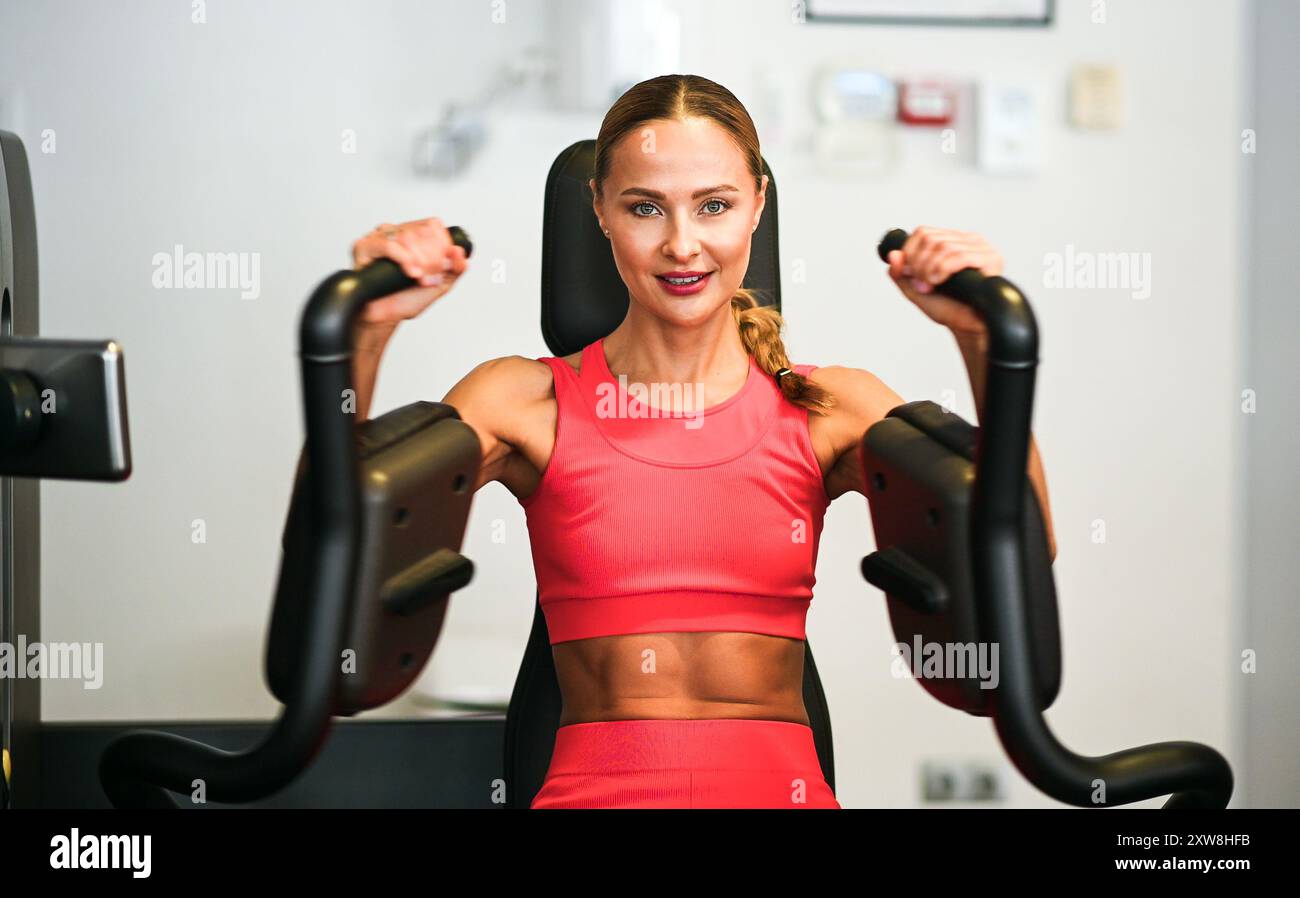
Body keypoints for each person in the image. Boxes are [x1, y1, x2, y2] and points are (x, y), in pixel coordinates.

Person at [348, 74, 1057, 809]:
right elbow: (333, 547)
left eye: (713, 205)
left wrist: (978, 340)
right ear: (599, 211)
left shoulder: (823, 405)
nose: (682, 245)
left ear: (757, 203)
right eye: (645, 208)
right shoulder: (524, 400)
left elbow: (1017, 551)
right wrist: (369, 331)